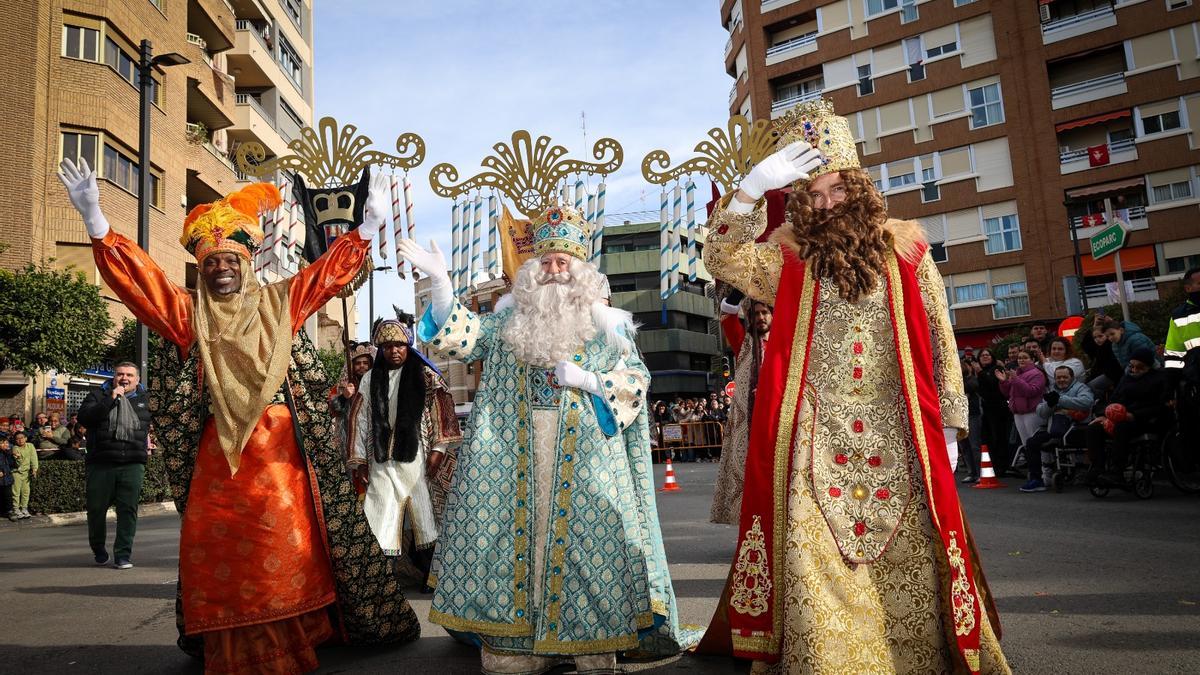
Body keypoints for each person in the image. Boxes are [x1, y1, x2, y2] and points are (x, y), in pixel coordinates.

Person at [58, 158, 419, 671]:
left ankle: (295, 636)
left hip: (280, 460)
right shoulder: (188, 313)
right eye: (211, 263)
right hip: (220, 459)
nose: (221, 269)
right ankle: (231, 645)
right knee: (218, 551)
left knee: (286, 546)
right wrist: (96, 221)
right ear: (201, 268)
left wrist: (365, 229)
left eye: (230, 259)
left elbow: (322, 277)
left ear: (246, 263)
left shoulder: (279, 302)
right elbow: (143, 285)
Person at [700, 99, 1008, 673]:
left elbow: (939, 334)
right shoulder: (786, 257)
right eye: (813, 195)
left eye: (837, 189)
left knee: (910, 554)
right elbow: (721, 256)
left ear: (859, 187)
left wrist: (951, 421)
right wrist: (749, 192)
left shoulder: (909, 249)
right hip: (812, 433)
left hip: (900, 426)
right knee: (814, 557)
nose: (826, 203)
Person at [397, 203, 699, 673]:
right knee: (518, 551)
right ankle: (522, 643)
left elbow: (636, 381)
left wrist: (590, 381)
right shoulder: (508, 323)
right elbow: (462, 337)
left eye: (563, 262)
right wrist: (440, 287)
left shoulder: (608, 327)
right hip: (513, 454)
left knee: (589, 549)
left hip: (588, 458)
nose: (554, 270)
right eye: (546, 262)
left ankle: (592, 641)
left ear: (580, 270)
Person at [349, 319, 461, 589]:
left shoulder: (426, 376)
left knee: (425, 520)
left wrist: (438, 450)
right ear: (381, 349)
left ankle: (431, 578)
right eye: (387, 346)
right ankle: (379, 582)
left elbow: (441, 413)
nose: (394, 351)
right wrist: (360, 460)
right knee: (378, 515)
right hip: (381, 462)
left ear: (407, 346)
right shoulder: (369, 379)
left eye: (399, 345)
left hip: (418, 461)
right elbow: (359, 419)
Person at [77, 362, 152, 568]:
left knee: (128, 511)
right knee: (96, 510)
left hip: (132, 463)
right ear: (114, 377)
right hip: (101, 463)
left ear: (137, 379)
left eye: (129, 375)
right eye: (120, 374)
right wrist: (111, 399)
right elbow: (85, 418)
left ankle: (123, 555)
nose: (124, 378)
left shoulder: (147, 400)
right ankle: (98, 547)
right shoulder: (97, 396)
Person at [711, 295, 772, 525]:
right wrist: (738, 290)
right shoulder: (744, 343)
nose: (761, 317)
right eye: (755, 314)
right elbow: (727, 315)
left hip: (777, 419)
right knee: (752, 476)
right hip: (750, 421)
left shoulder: (785, 342)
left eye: (765, 312)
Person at [1084, 348, 1169, 485]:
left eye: (1139, 367)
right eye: (1132, 366)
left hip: (1144, 419)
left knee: (1122, 427)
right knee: (1093, 428)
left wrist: (1134, 415)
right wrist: (1104, 415)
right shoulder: (1126, 378)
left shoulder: (1158, 379)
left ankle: (1117, 472)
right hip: (1120, 415)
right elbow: (1114, 398)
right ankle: (1097, 468)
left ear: (1148, 366)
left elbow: (1160, 406)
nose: (1134, 370)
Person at [1019, 365, 1094, 493]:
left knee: (1058, 421)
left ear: (1072, 377)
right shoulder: (1052, 390)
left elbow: (1087, 402)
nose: (1061, 380)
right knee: (1031, 442)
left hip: (1075, 429)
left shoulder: (1081, 388)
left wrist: (1060, 400)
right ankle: (1036, 480)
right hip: (1053, 429)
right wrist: (1050, 405)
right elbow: (1040, 412)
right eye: (1058, 377)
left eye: (1065, 377)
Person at [997, 349, 1048, 468]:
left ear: (1033, 360)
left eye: (1025, 357)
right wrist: (1003, 382)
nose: (1021, 360)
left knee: (1036, 443)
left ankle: (1045, 470)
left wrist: (1016, 379)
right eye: (1020, 358)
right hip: (1018, 413)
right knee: (1026, 445)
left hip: (1032, 412)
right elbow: (1007, 393)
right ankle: (1033, 470)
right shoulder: (1016, 373)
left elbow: (1032, 391)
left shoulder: (1037, 374)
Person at [329, 341, 375, 462]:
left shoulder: (378, 384)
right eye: (358, 363)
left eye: (365, 363)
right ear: (352, 366)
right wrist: (343, 397)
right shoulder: (342, 387)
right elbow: (331, 412)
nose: (362, 366)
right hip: (351, 439)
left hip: (373, 438)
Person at [1080, 320, 1123, 396]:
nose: (1097, 339)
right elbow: (1086, 346)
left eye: (1100, 336)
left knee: (1090, 386)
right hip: (1105, 374)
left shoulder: (1110, 345)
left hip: (1112, 375)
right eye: (1095, 337)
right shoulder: (1099, 347)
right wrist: (1094, 326)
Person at [961, 357, 984, 483]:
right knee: (964, 445)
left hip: (973, 414)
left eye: (965, 365)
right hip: (960, 415)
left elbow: (971, 387)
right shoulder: (958, 381)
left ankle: (980, 472)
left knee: (974, 445)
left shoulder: (972, 379)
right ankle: (971, 472)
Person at [9, 431, 37, 519]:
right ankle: (16, 509)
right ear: (15, 440)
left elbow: (34, 457)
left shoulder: (30, 446)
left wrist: (34, 469)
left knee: (26, 491)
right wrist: (17, 457)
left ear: (26, 438)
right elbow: (18, 463)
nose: (20, 440)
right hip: (16, 472)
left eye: (22, 438)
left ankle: (24, 508)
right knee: (16, 492)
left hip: (26, 473)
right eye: (17, 439)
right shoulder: (15, 448)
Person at [0, 437, 15, 521]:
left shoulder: (8, 452)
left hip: (7, 478)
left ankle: (10, 511)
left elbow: (12, 464)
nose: (5, 444)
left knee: (8, 495)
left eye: (6, 442)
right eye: (2, 443)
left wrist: (11, 454)